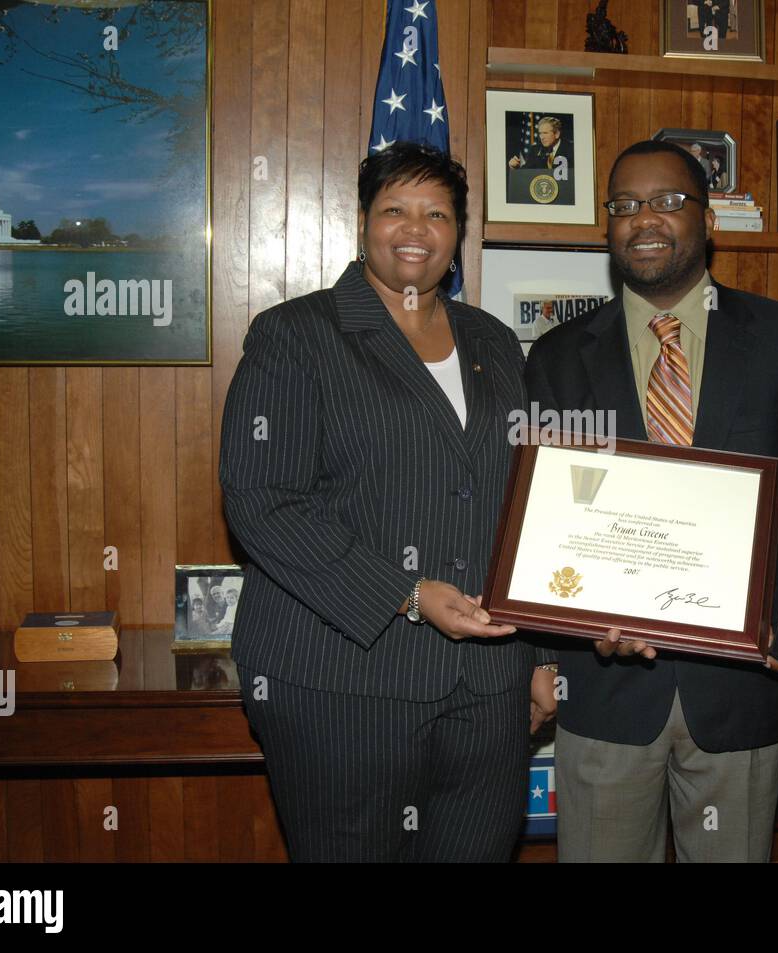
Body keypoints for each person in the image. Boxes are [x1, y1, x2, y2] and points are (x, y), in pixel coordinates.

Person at [524, 140, 778, 863]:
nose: (644, 219)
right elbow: (544, 521)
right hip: (605, 689)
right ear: (607, 226)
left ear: (707, 220)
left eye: (667, 201)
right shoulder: (555, 357)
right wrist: (568, 629)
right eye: (624, 205)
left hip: (743, 690)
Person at [220, 141, 556, 862]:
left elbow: (523, 502)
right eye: (395, 209)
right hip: (340, 680)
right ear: (363, 221)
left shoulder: (494, 342)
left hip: (488, 687)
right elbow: (260, 501)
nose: (416, 229)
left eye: (437, 213)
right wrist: (405, 591)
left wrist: (539, 652)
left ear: (458, 231)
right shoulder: (296, 335)